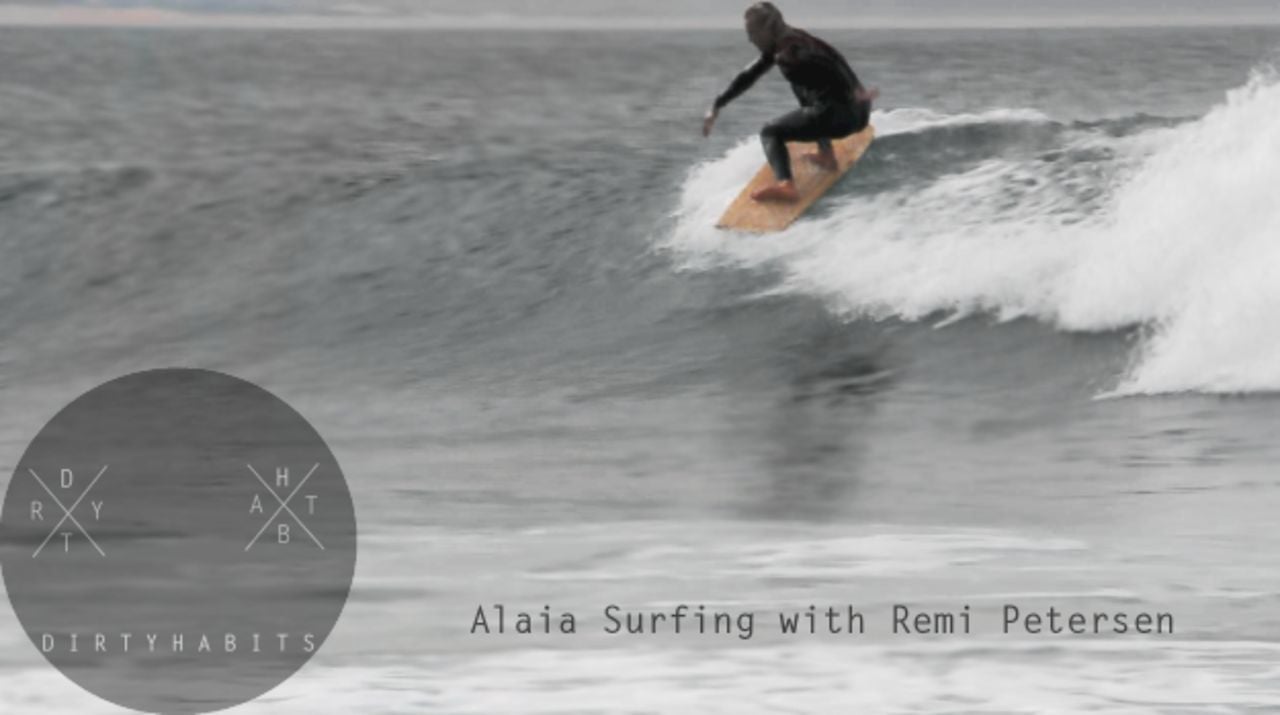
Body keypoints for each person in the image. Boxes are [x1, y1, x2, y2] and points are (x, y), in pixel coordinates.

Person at [702, 2, 877, 202]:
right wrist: (718, 104)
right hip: (860, 112)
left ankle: (786, 185)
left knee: (770, 132)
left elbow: (826, 65)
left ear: (768, 29)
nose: (750, 39)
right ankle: (826, 154)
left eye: (752, 32)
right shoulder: (794, 39)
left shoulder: (790, 55)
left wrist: (851, 95)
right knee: (802, 87)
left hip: (843, 116)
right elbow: (750, 74)